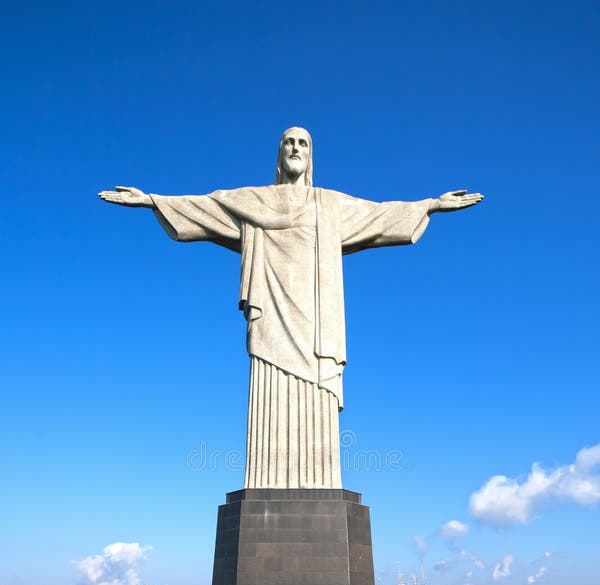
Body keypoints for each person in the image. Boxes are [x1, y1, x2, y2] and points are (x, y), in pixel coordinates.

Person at [99, 127, 482, 489]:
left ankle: (318, 479)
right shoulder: (252, 201)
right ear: (279, 154)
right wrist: (152, 200)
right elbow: (206, 207)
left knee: (316, 398)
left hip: (317, 324)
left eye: (303, 143)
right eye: (289, 143)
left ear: (311, 156)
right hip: (271, 316)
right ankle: (267, 478)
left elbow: (379, 215)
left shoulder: (330, 205)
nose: (296, 148)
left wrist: (429, 205)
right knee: (268, 387)